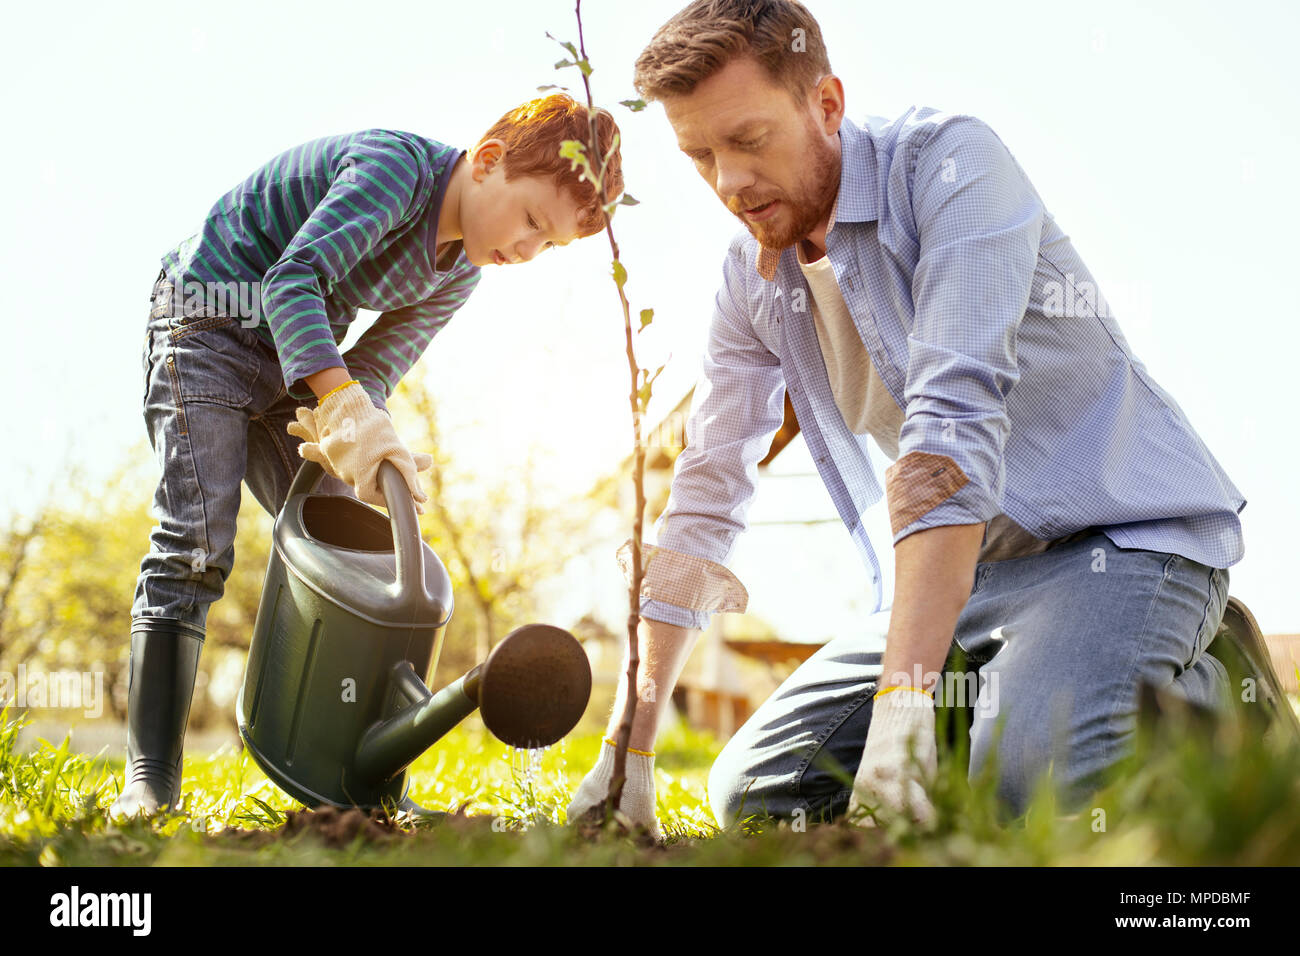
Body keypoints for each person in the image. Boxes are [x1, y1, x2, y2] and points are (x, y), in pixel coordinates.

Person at [566, 0, 1246, 841]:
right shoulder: (752, 281)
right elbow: (706, 489)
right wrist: (631, 745)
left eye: (746, 140)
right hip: (966, 581)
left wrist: (902, 703)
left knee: (1028, 790)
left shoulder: (953, 167)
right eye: (699, 155)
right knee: (759, 790)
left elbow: (951, 421)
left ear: (826, 104)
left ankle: (1207, 701)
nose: (727, 181)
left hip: (1119, 545)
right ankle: (995, 713)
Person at [114, 93, 623, 820]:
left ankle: (353, 773)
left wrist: (363, 436)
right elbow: (294, 280)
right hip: (206, 327)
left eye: (549, 246)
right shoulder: (394, 172)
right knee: (195, 543)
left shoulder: (462, 273)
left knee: (351, 548)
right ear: (487, 162)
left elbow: (373, 369)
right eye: (533, 221)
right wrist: (342, 403)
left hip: (290, 361)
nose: (527, 250)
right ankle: (151, 776)